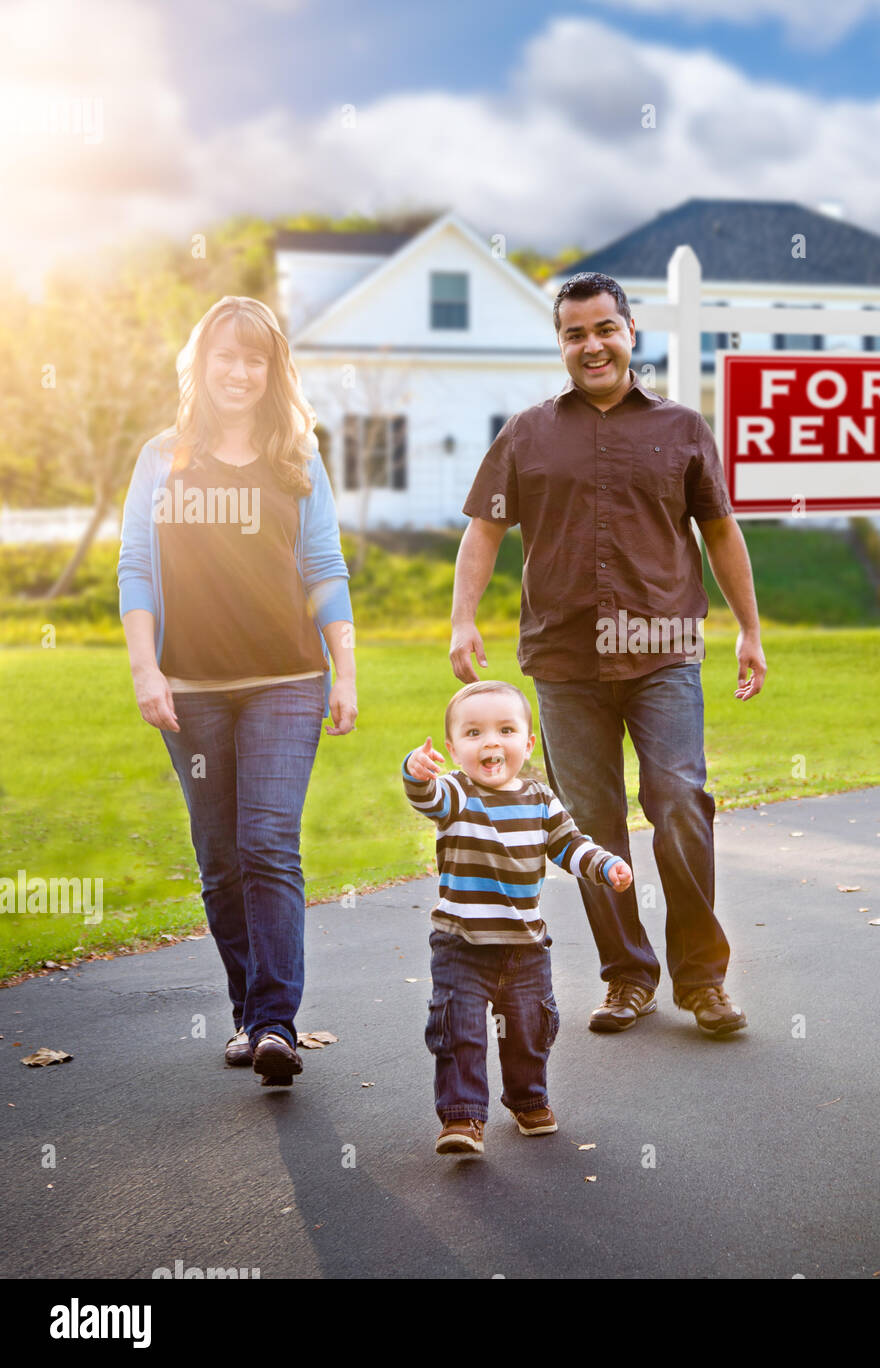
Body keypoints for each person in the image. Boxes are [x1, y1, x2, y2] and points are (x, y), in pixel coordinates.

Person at [450, 271, 766, 1038]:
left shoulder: (684, 428)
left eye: (603, 329)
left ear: (631, 333)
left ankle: (703, 981)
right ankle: (627, 977)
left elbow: (720, 531)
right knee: (591, 827)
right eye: (573, 333)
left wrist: (749, 629)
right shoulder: (527, 432)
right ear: (561, 343)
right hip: (563, 664)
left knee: (679, 804)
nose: (590, 345)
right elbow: (485, 530)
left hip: (663, 653)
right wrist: (463, 620)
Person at [117, 295, 356, 1087]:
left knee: (265, 840)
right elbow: (137, 571)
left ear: (272, 370)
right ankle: (248, 1013)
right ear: (201, 362)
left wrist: (343, 668)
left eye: (256, 359)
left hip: (288, 680)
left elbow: (323, 566)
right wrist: (146, 669)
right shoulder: (162, 458)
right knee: (220, 857)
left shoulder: (297, 457)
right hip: (190, 690)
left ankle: (275, 1023)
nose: (240, 372)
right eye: (227, 355)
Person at [401, 680, 632, 1155]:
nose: (490, 742)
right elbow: (427, 798)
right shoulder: (457, 794)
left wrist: (605, 864)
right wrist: (416, 772)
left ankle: (528, 1099)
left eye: (505, 730)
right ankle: (462, 1118)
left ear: (527, 743)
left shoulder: (540, 800)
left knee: (528, 1028)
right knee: (458, 1030)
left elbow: (569, 845)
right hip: (461, 944)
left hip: (525, 946)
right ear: (453, 748)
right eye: (474, 733)